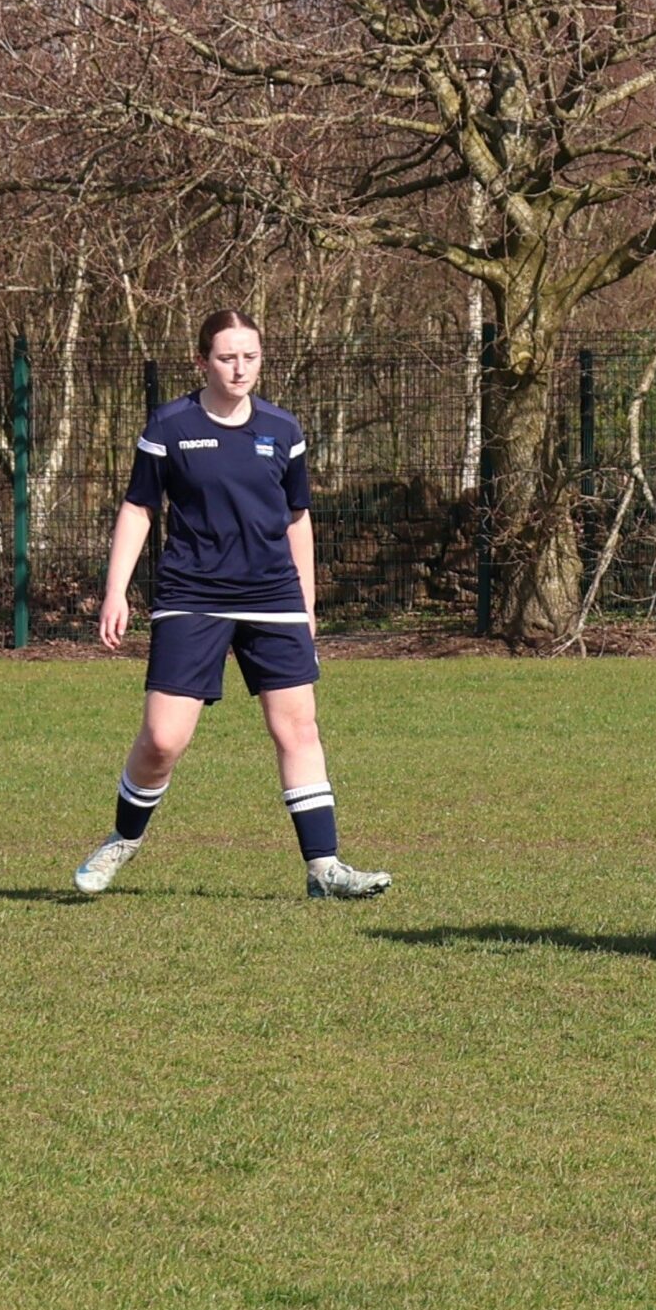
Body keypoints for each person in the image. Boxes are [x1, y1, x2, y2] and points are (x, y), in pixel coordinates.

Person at [75, 310, 392, 900]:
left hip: (272, 594)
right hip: (192, 593)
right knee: (164, 739)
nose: (239, 367)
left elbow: (298, 518)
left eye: (250, 356)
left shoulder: (282, 428)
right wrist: (115, 591)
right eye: (226, 357)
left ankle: (324, 867)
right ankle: (123, 838)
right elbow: (139, 508)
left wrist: (306, 600)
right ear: (203, 361)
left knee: (298, 727)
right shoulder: (170, 425)